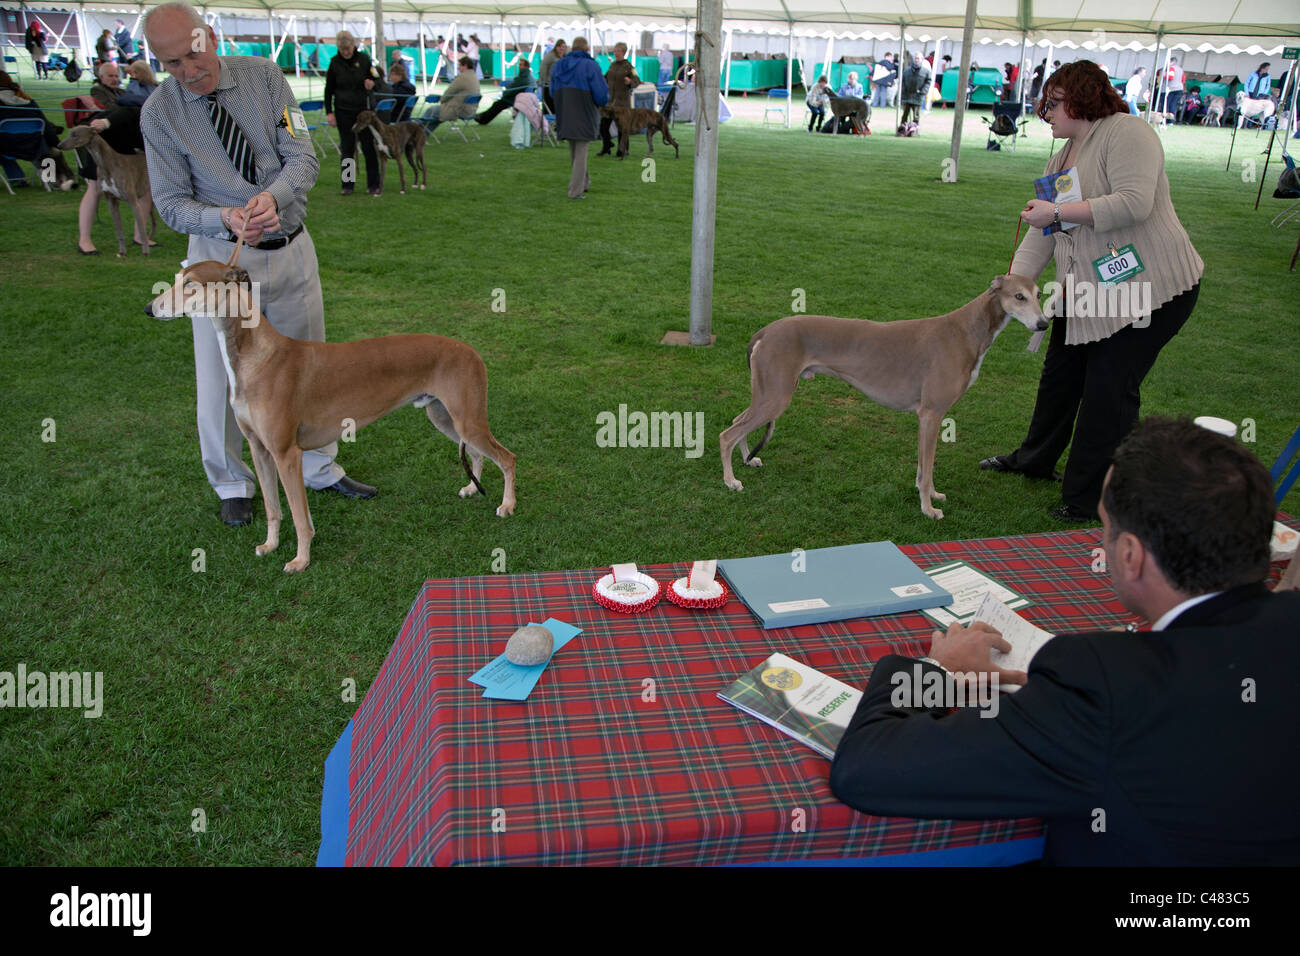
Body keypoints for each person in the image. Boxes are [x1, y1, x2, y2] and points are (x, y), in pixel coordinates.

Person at [832, 416, 1300, 866]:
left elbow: (868, 768)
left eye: (1105, 526)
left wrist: (938, 674)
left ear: (1132, 555)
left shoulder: (1100, 684)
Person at [140, 2, 372, 527]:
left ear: (211, 36)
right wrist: (224, 216)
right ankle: (231, 480)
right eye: (171, 63)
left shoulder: (266, 77)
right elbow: (171, 203)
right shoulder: (159, 113)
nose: (188, 71)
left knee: (308, 364)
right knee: (225, 377)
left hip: (290, 247)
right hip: (218, 263)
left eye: (193, 54)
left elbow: (304, 156)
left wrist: (276, 195)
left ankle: (317, 465)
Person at [980, 60, 1203, 522]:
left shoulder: (1128, 132)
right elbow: (1042, 231)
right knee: (1060, 376)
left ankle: (1087, 499)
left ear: (1082, 95)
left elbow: (1133, 203)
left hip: (1151, 288)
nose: (1046, 112)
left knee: (1109, 389)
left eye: (1054, 101)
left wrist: (1058, 215)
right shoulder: (1061, 158)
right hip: (1091, 292)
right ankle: (1034, 459)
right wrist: (1013, 286)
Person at [550, 36, 608, 199]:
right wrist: (601, 103)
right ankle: (575, 191)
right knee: (581, 150)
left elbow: (551, 90)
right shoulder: (591, 66)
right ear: (587, 49)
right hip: (585, 110)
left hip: (565, 110)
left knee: (574, 150)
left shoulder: (559, 65)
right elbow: (601, 94)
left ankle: (584, 182)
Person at [324, 31, 380, 196]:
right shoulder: (334, 63)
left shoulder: (363, 59)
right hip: (343, 111)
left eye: (347, 49)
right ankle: (347, 185)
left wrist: (372, 83)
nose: (345, 52)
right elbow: (328, 90)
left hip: (363, 111)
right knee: (347, 149)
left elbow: (377, 79)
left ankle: (373, 184)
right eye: (342, 49)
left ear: (353, 45)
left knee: (368, 147)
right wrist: (329, 112)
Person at [0, 72, 76, 189]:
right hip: (35, 146)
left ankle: (18, 180)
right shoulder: (29, 102)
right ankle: (56, 181)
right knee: (50, 150)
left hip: (6, 147)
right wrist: (55, 143)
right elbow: (45, 126)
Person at [597, 42, 640, 157]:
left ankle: (623, 150)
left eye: (618, 51)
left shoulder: (629, 67)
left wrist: (630, 82)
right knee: (603, 126)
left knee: (622, 128)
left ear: (623, 52)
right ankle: (607, 146)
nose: (615, 53)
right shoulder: (612, 65)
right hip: (610, 102)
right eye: (615, 51)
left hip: (622, 103)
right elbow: (606, 78)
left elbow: (637, 81)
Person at [424, 55, 480, 133]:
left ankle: (416, 133)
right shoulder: (474, 77)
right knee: (435, 115)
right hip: (470, 109)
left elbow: (449, 93)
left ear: (465, 66)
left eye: (459, 65)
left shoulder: (462, 78)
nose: (458, 68)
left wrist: (442, 100)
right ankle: (423, 134)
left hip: (458, 109)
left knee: (431, 111)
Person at [474, 55, 533, 125]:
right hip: (517, 97)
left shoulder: (524, 76)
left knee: (497, 105)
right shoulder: (526, 76)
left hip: (515, 99)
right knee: (497, 104)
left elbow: (513, 87)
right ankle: (482, 117)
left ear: (525, 66)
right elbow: (514, 85)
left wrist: (505, 93)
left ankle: (483, 119)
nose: (519, 66)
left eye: (520, 65)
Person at [898, 53, 931, 129]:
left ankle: (914, 128)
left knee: (916, 114)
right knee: (905, 114)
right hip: (907, 95)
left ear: (922, 60)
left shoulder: (926, 72)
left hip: (918, 96)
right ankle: (902, 128)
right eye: (915, 58)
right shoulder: (907, 70)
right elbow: (902, 81)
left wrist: (923, 91)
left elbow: (928, 82)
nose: (916, 60)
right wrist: (903, 91)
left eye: (918, 58)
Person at [540, 38, 567, 113]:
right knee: (549, 107)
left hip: (561, 86)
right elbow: (543, 68)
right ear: (556, 47)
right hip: (549, 85)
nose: (562, 49)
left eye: (564, 47)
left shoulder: (565, 57)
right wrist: (545, 80)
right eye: (560, 47)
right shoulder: (550, 55)